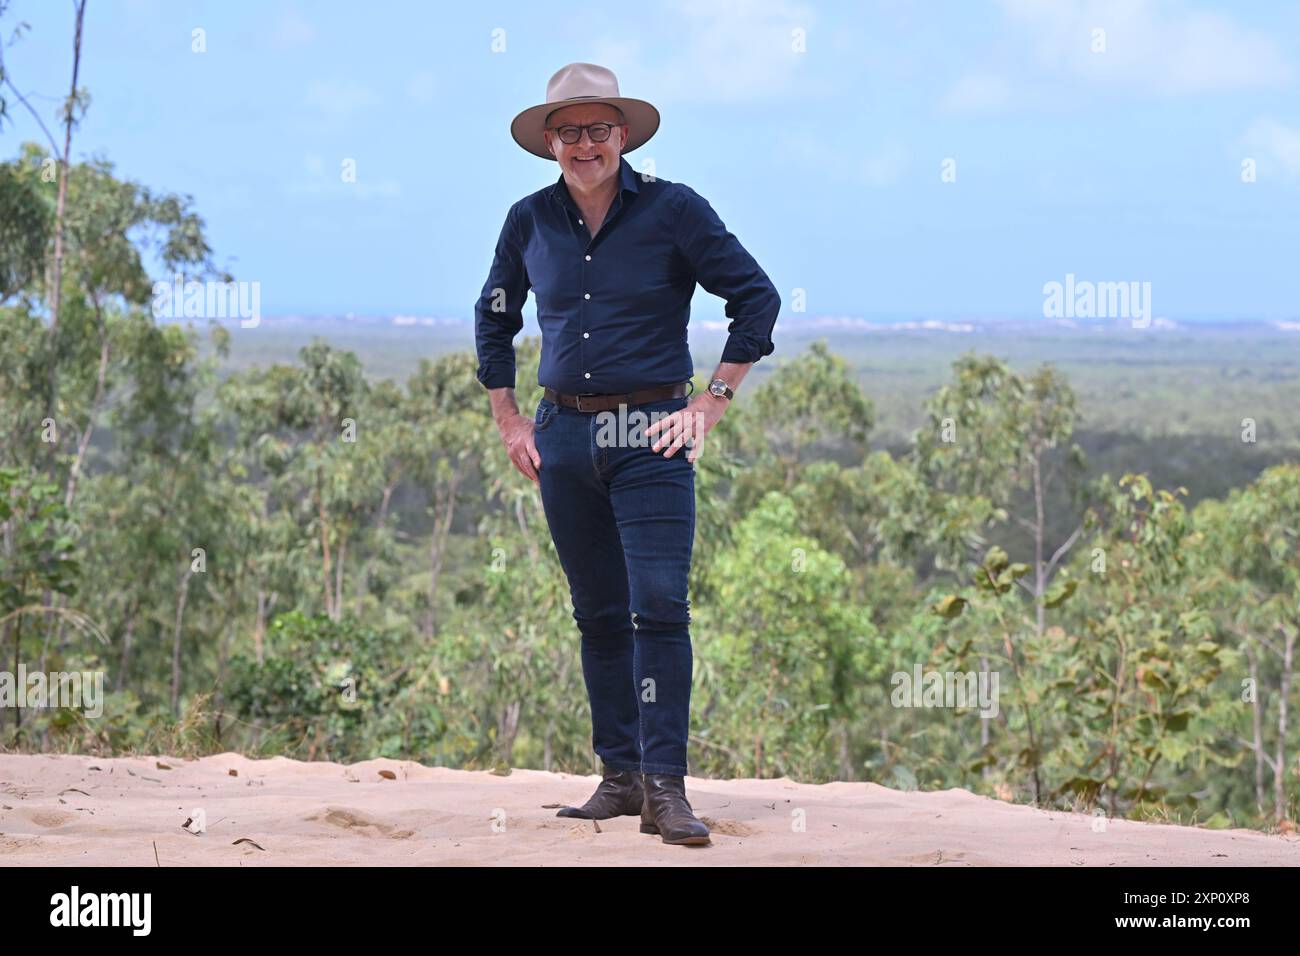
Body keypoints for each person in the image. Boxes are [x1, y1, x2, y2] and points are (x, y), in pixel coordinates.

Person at [474, 62, 780, 846]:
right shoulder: (528, 220)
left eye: (598, 129)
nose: (585, 143)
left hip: (651, 432)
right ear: (550, 142)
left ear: (622, 134)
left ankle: (667, 790)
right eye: (569, 130)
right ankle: (619, 777)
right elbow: (494, 315)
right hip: (564, 435)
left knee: (660, 605)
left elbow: (756, 297)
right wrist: (510, 419)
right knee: (599, 613)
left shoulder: (675, 210)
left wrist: (713, 401)